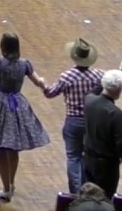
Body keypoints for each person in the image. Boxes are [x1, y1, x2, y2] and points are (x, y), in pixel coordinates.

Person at [0, 33, 50, 202]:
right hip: (17, 105)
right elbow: (38, 81)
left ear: (3, 46)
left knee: (0, 146)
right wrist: (45, 86)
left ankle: (6, 188)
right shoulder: (24, 64)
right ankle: (11, 183)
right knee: (13, 147)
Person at [44, 38, 105, 193]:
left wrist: (42, 85)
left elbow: (51, 93)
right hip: (92, 121)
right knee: (87, 156)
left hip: (73, 120)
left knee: (73, 157)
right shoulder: (99, 75)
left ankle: (75, 192)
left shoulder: (67, 76)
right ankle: (86, 189)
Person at [83, 69, 122, 196]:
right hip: (107, 165)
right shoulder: (115, 113)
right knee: (105, 197)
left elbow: (94, 90)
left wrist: (106, 81)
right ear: (119, 89)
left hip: (88, 159)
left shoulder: (89, 100)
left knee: (87, 195)